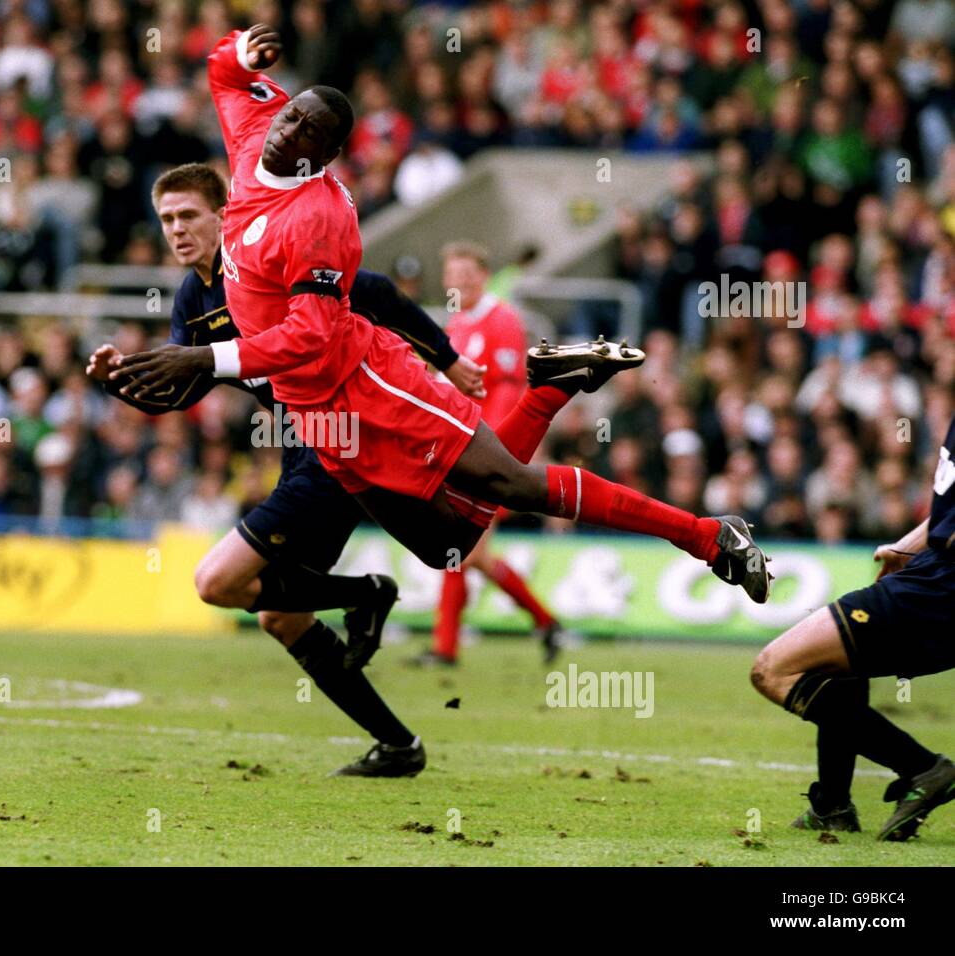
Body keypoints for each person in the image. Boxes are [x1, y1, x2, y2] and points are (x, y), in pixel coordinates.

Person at [112, 25, 770, 648]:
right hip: (317, 415)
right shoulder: (254, 135)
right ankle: (546, 393)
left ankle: (705, 536)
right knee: (446, 545)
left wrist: (206, 356)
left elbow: (309, 336)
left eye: (307, 128)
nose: (288, 128)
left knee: (511, 486)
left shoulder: (319, 219)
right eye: (290, 113)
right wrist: (242, 49)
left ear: (324, 153)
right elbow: (224, 77)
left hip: (366, 384)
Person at [89, 161, 486, 777]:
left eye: (189, 215)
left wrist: (449, 358)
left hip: (340, 438)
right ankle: (399, 745)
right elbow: (184, 393)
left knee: (216, 583)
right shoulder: (194, 300)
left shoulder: (265, 262)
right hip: (305, 448)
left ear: (224, 215)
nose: (176, 229)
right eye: (166, 219)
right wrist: (120, 385)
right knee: (280, 614)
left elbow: (374, 290)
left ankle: (366, 595)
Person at [750, 412, 955, 841]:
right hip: (932, 579)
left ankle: (924, 768)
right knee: (832, 664)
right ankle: (832, 806)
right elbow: (948, 509)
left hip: (938, 588)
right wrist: (906, 547)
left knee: (773, 670)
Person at [415, 241, 566, 668]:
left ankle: (446, 647)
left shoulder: (502, 320)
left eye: (466, 275)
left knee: (461, 550)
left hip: (484, 452)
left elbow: (509, 387)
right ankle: (545, 622)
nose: (458, 282)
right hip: (462, 448)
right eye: (452, 276)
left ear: (483, 275)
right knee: (470, 553)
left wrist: (491, 447)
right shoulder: (458, 324)